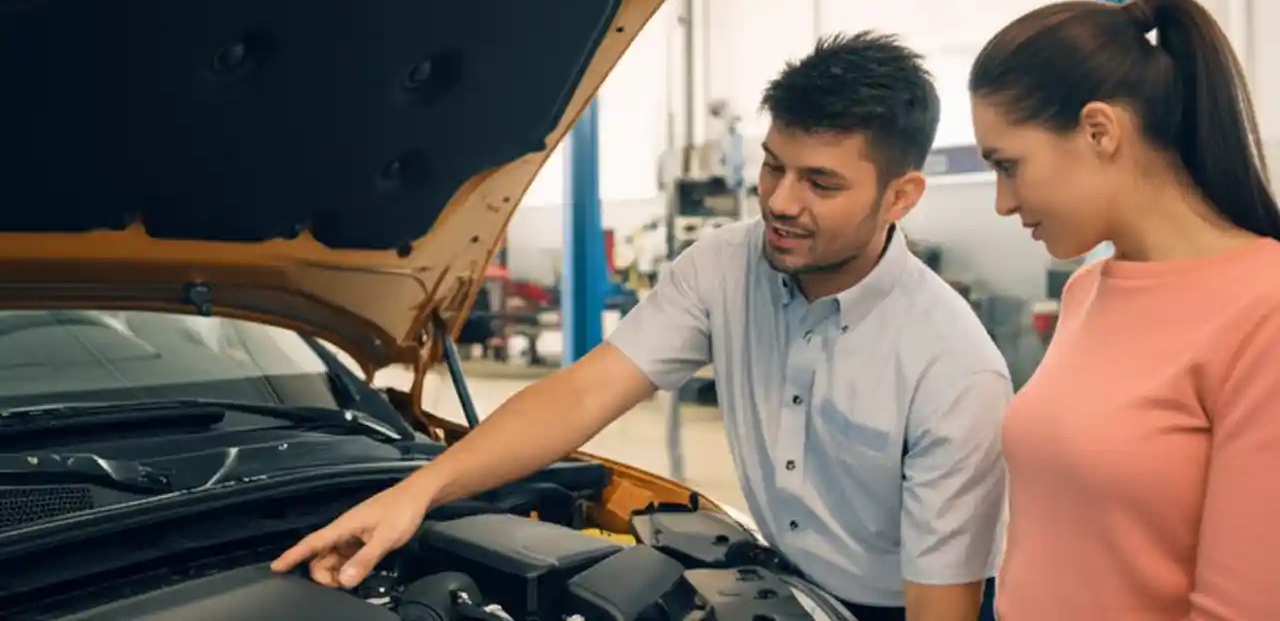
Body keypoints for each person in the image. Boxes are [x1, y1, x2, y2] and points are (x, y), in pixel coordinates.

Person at [272, 32, 1013, 621]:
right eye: (772, 167)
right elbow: (582, 393)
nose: (781, 203)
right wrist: (420, 492)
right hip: (778, 580)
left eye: (821, 183)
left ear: (902, 196)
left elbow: (940, 607)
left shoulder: (951, 368)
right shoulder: (725, 265)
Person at [968, 0, 1280, 620]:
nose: (1002, 202)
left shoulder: (1265, 310)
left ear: (1098, 130)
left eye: (1009, 165)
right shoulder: (1088, 291)